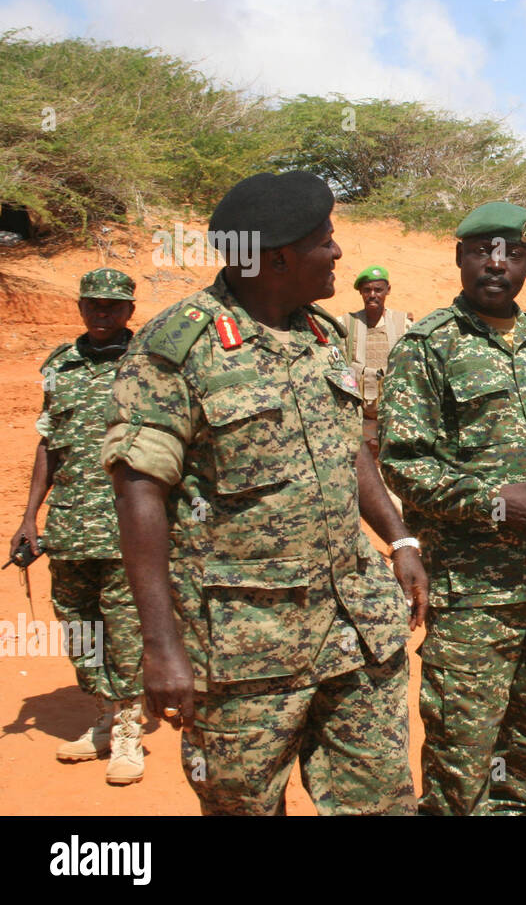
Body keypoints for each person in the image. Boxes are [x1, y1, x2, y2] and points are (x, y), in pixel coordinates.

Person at [103, 170, 429, 816]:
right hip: (243, 653)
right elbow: (139, 490)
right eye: (326, 239)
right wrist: (161, 646)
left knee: (383, 806)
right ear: (278, 257)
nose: (338, 253)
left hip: (356, 629)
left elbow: (352, 450)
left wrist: (400, 538)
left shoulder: (322, 335)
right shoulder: (178, 348)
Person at [380, 201, 526, 815]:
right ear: (460, 258)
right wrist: (489, 501)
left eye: (511, 253)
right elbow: (402, 460)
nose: (496, 264)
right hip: (470, 589)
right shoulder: (427, 346)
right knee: (463, 745)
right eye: (482, 251)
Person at [10, 268, 146, 784]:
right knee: (77, 623)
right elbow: (49, 441)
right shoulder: (60, 366)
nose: (103, 313)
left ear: (130, 311)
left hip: (131, 524)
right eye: (94, 304)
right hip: (70, 524)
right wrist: (29, 517)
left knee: (126, 627)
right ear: (81, 307)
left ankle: (130, 729)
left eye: (114, 305)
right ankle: (105, 716)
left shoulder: (150, 363)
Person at [336, 265, 410, 460]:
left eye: (378, 290)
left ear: (388, 291)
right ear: (360, 292)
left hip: (395, 417)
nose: (372, 295)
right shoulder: (345, 324)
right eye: (367, 290)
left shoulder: (404, 324)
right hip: (360, 417)